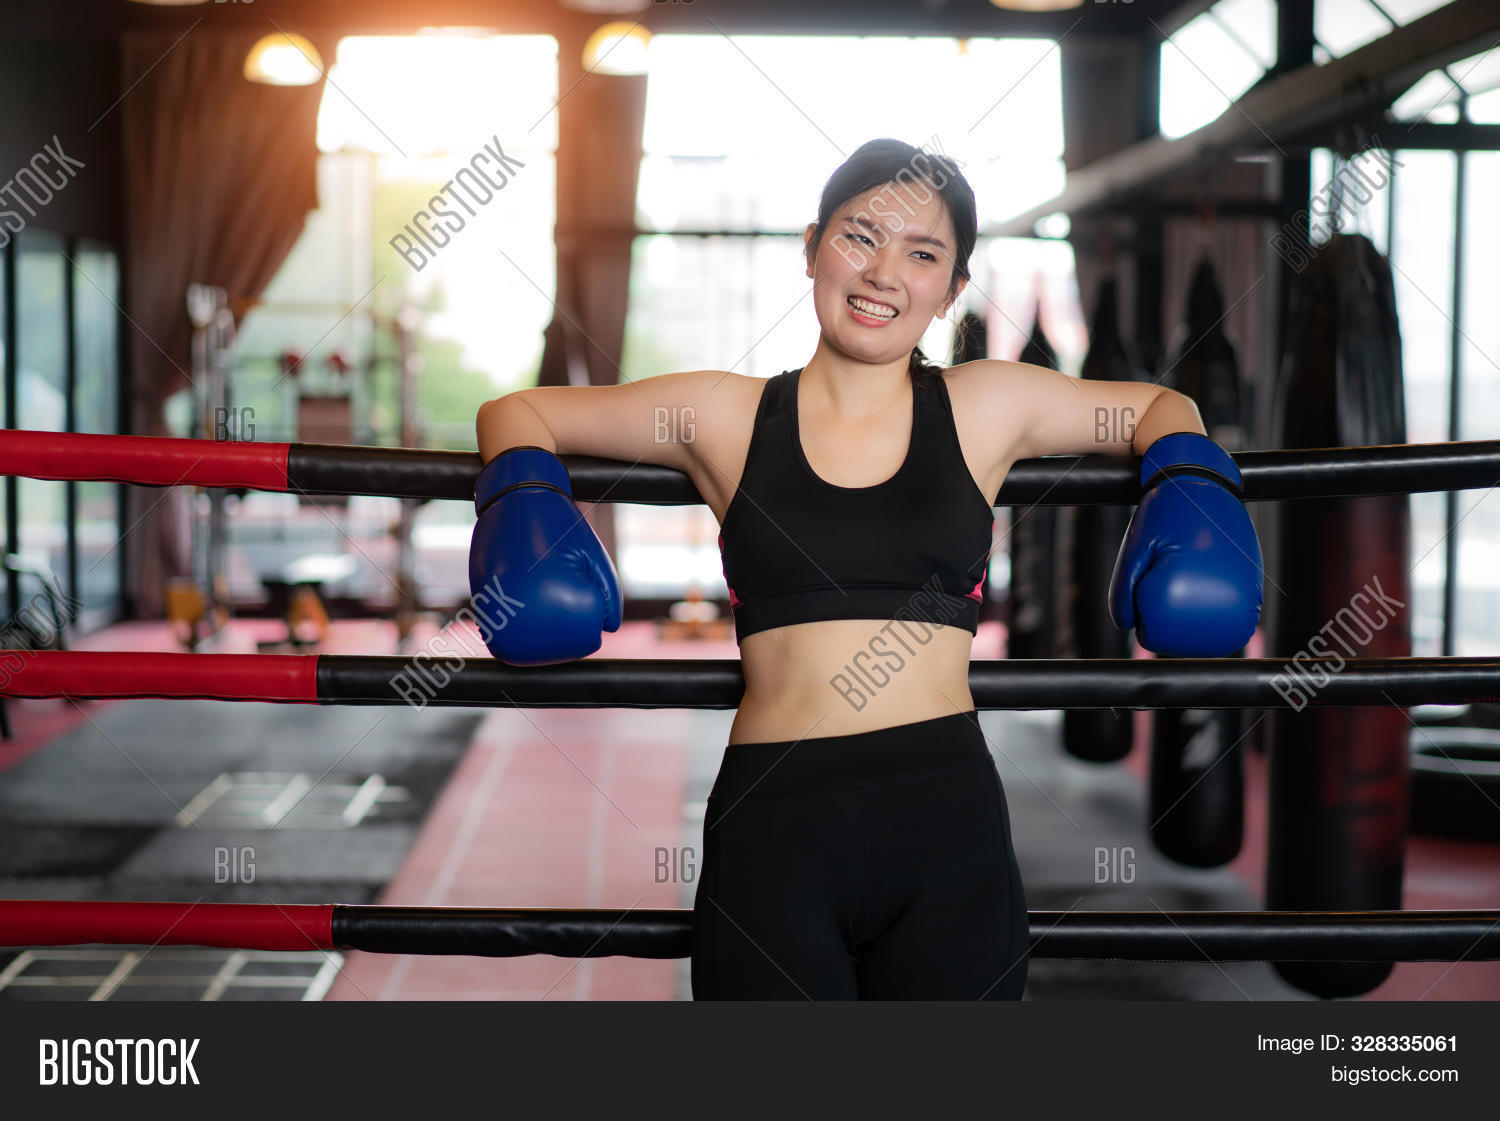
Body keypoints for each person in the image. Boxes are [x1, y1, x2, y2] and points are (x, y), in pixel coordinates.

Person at [470, 138, 1263, 1000]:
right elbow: (519, 411)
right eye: (860, 237)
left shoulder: (987, 404)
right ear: (812, 247)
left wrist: (1187, 475)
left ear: (953, 287)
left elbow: (1159, 404)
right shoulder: (720, 415)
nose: (885, 272)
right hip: (776, 823)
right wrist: (526, 506)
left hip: (943, 816)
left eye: (922, 253)